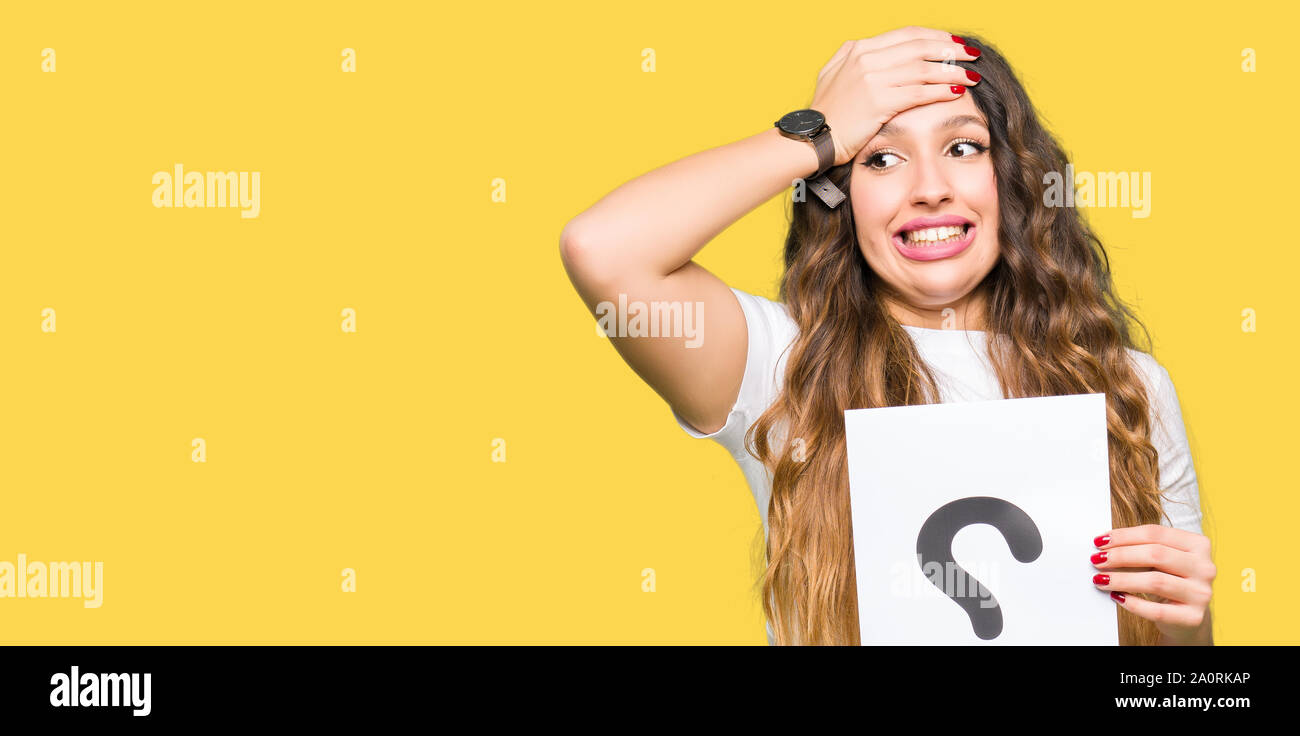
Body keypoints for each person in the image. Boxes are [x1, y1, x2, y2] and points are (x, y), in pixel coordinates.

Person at [559, 27, 1214, 646]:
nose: (930, 188)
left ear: (1011, 179)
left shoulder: (1127, 386)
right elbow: (604, 249)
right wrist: (813, 137)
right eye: (881, 158)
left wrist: (1186, 629)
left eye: (964, 148)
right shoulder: (782, 362)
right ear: (840, 192)